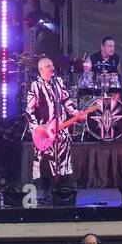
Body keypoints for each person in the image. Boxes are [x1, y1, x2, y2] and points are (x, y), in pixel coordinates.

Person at [26, 57, 79, 195]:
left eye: (52, 65)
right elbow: (29, 110)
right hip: (44, 132)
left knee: (64, 160)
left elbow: (66, 99)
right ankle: (46, 192)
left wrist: (76, 112)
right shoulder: (35, 86)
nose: (52, 68)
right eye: (48, 66)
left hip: (61, 129)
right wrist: (37, 128)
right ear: (41, 69)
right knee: (46, 161)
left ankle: (64, 191)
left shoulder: (58, 82)